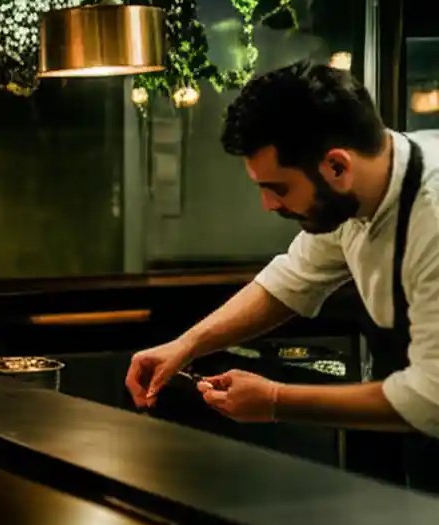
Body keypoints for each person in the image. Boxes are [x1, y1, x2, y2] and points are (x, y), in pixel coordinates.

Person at [124, 61, 439, 491]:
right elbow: (292, 279)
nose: (268, 205)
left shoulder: (432, 214)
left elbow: (430, 398)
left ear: (336, 167)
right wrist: (186, 345)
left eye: (278, 187)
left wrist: (275, 401)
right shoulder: (354, 197)